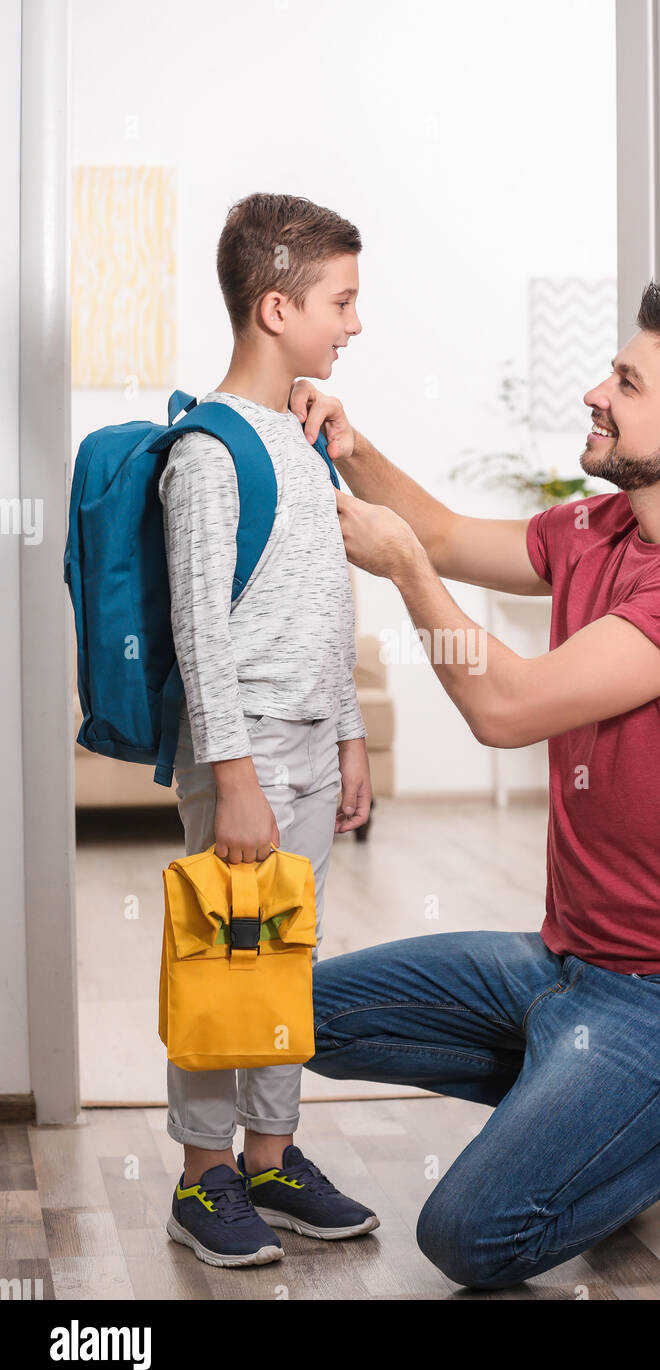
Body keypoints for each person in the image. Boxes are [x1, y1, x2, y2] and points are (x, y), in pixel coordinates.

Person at [289, 281, 660, 1290]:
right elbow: (439, 531)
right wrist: (352, 447)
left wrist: (402, 575)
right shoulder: (594, 529)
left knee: (468, 1236)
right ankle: (595, 1103)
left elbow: (508, 706)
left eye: (624, 380)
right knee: (299, 1015)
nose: (593, 393)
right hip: (567, 964)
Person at [158, 192, 380, 1267]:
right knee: (221, 960)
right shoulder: (206, 453)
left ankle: (271, 1156)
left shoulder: (305, 438)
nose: (353, 322)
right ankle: (201, 1177)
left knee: (284, 960)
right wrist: (234, 775)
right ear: (275, 303)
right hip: (241, 761)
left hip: (306, 747)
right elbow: (201, 630)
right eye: (341, 300)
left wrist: (347, 735)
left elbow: (325, 602)